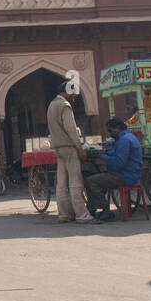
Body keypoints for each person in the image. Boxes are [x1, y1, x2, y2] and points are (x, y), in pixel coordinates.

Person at [47, 87, 99, 224]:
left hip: (58, 147)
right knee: (75, 182)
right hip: (69, 147)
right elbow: (71, 129)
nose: (74, 99)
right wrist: (79, 148)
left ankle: (64, 214)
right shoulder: (64, 105)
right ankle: (82, 215)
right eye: (74, 96)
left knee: (61, 183)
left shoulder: (52, 105)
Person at [85, 118, 144, 220]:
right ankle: (92, 209)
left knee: (91, 181)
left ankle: (105, 211)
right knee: (99, 179)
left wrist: (102, 156)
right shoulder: (127, 137)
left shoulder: (125, 140)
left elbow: (119, 162)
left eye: (110, 131)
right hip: (129, 173)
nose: (110, 134)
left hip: (125, 175)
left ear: (117, 128)